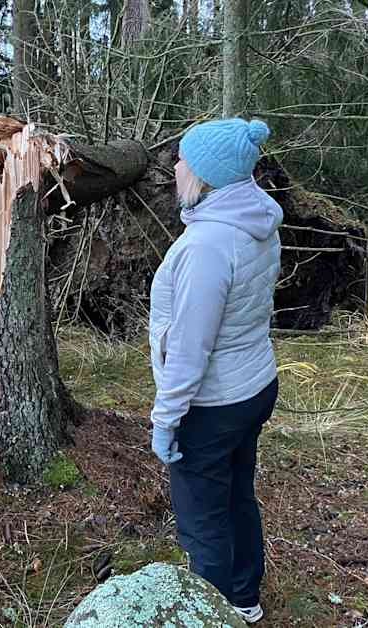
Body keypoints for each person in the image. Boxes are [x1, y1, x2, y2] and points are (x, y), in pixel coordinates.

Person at [148, 118, 282, 624]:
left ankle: (214, 613)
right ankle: (244, 599)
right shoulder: (256, 218)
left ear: (206, 174)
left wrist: (166, 420)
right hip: (254, 385)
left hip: (213, 404)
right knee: (237, 496)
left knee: (202, 521)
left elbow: (190, 349)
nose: (176, 166)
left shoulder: (206, 246)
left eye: (183, 159)